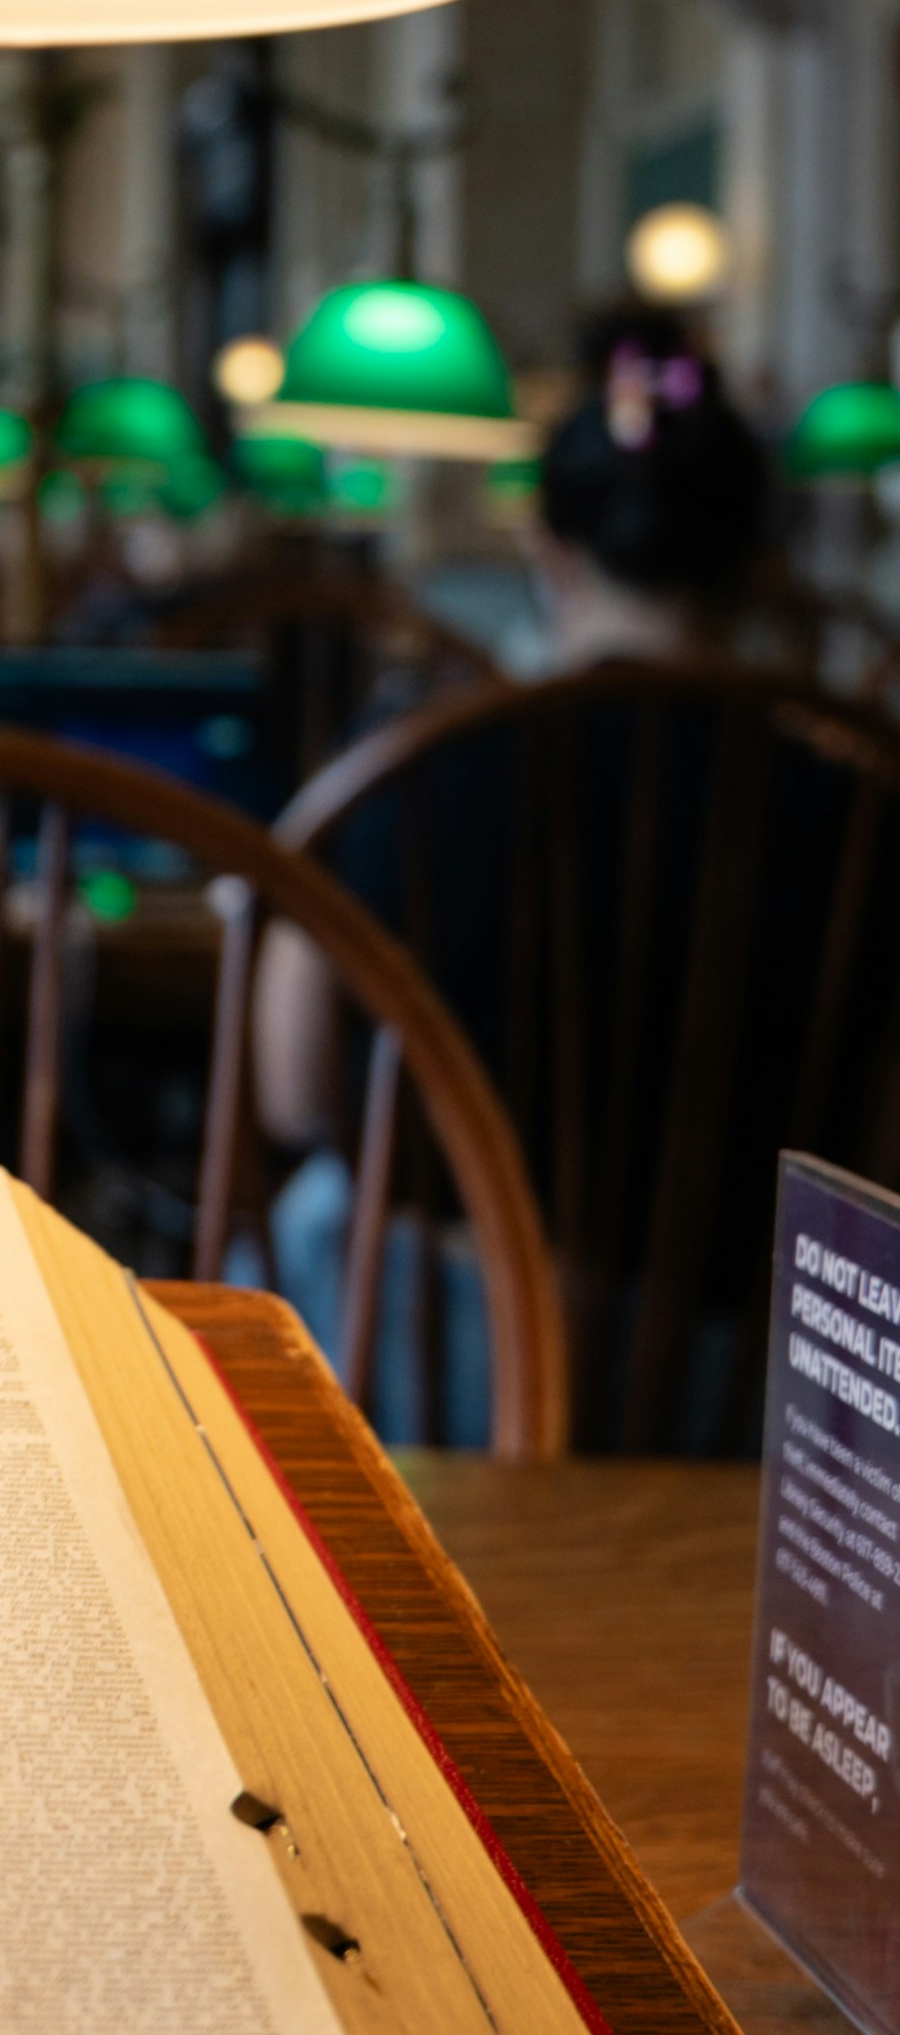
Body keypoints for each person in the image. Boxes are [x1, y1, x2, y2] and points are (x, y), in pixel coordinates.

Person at [251, 341, 793, 1438]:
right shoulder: (861, 797)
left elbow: (290, 1091)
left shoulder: (408, 763)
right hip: (736, 1385)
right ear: (756, 563)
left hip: (430, 1362)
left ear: (544, 549)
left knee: (303, 1219)